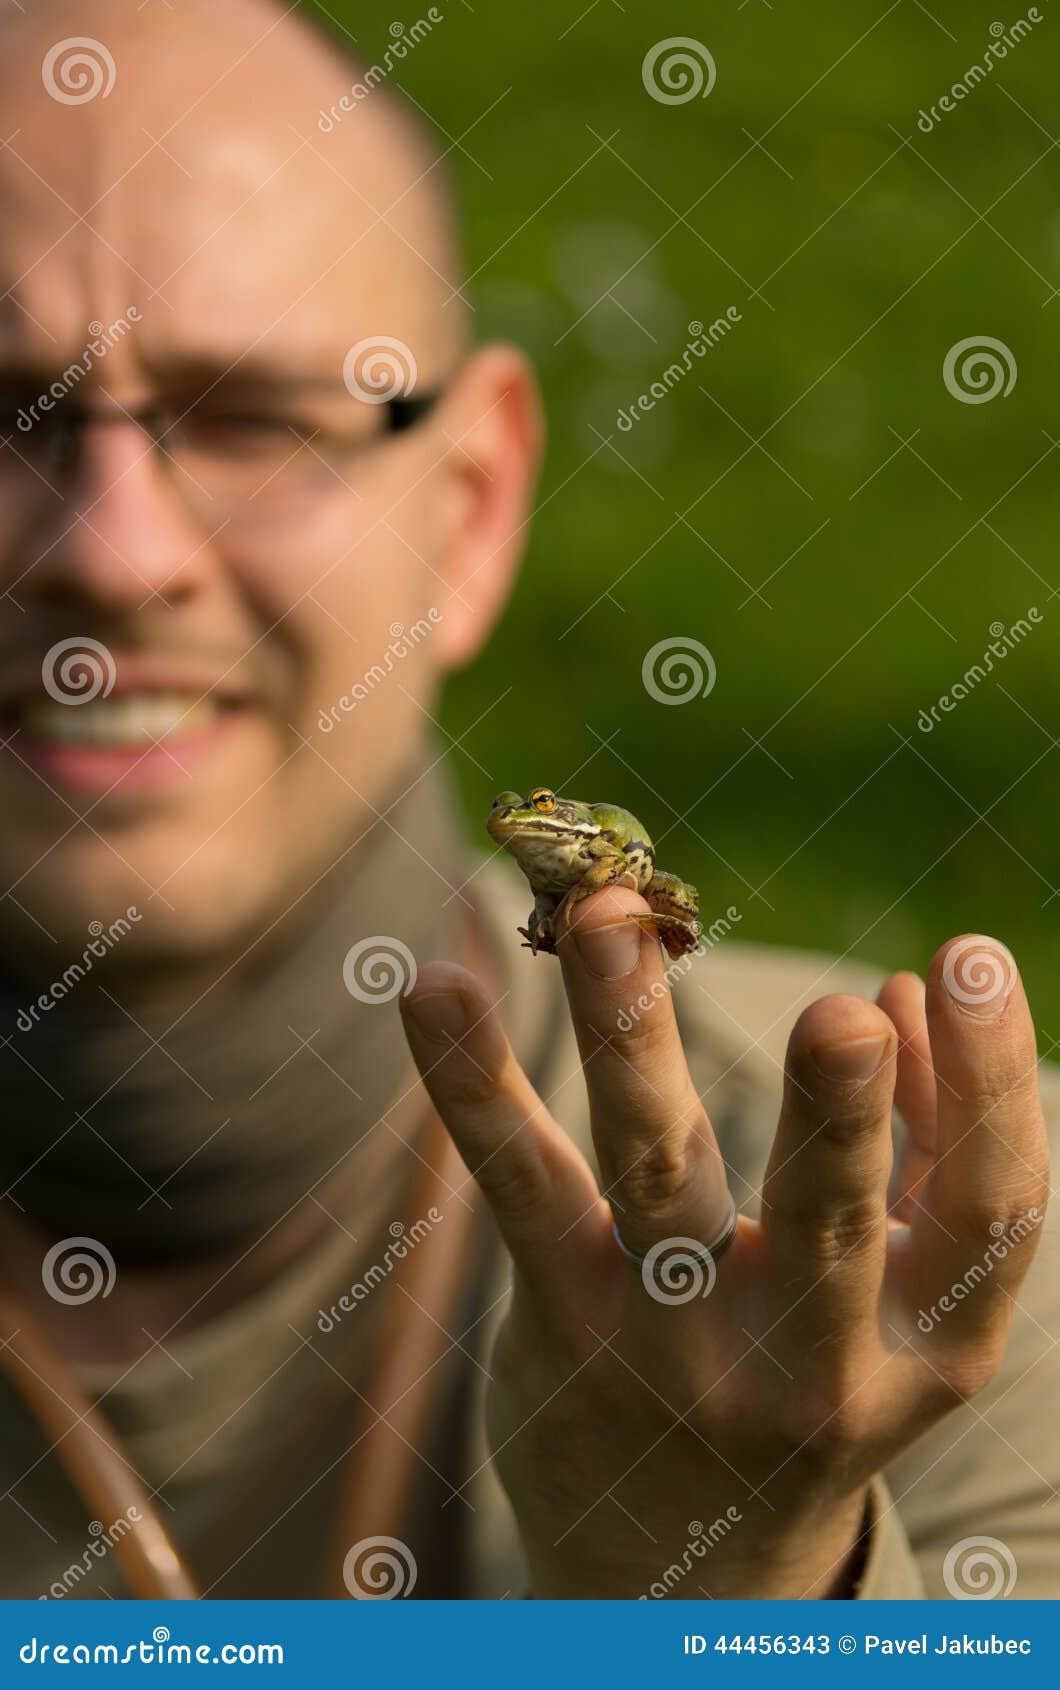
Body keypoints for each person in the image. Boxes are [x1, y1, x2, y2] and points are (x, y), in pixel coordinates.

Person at [0, 0, 1053, 1602]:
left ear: (474, 508)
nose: (115, 551)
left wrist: (731, 1568)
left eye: (259, 418)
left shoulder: (935, 1223)